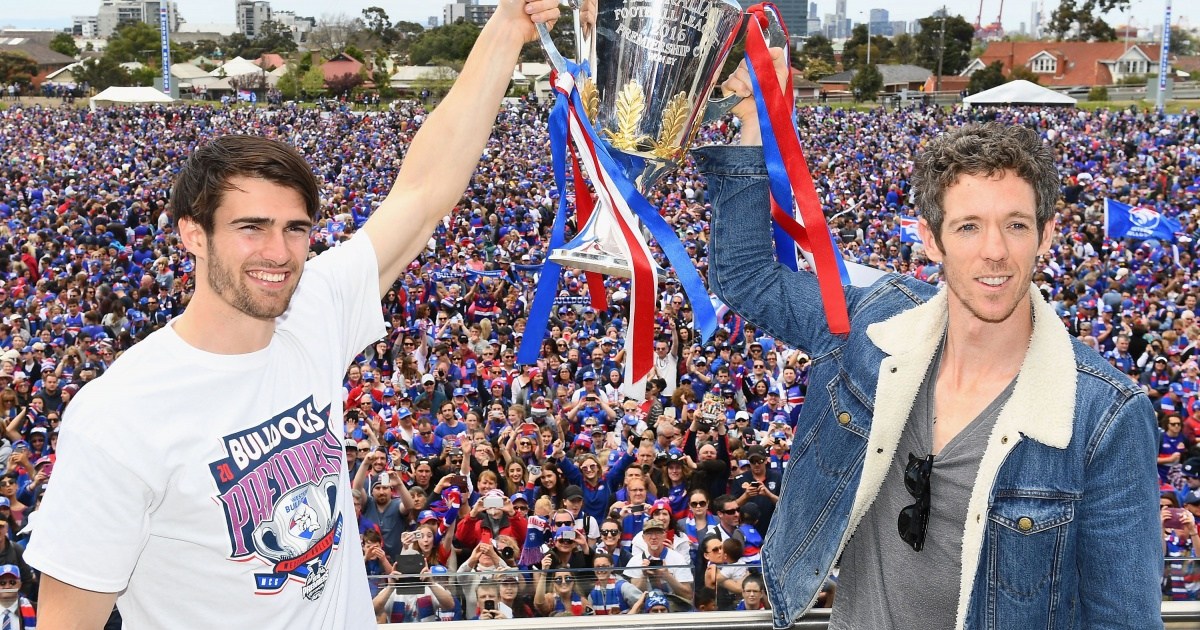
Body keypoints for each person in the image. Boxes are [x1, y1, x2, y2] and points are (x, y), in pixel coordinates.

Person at [22, 1, 562, 627]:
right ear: (193, 234)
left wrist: (506, 29)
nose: (278, 253)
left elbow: (423, 192)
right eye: (251, 228)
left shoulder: (313, 310)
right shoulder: (119, 414)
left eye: (296, 229)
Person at [699, 50, 1162, 629]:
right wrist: (751, 116)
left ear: (1046, 235)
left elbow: (1122, 619)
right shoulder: (871, 325)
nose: (994, 250)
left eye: (1016, 225)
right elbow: (746, 274)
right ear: (930, 239)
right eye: (968, 226)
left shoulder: (1104, 416)